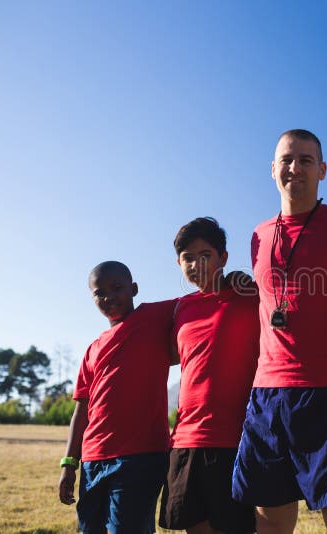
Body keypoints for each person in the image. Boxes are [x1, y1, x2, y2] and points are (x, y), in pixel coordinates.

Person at [232, 129, 327, 534]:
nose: (294, 168)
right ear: (272, 169)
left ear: (323, 170)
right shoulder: (259, 235)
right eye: (286, 159)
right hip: (265, 391)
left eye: (305, 160)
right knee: (268, 513)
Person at [158, 217, 259, 534]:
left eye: (205, 255)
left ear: (223, 258)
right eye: (187, 257)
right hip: (186, 439)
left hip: (234, 438)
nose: (195, 264)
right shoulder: (180, 309)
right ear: (179, 262)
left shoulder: (249, 296)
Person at [58, 261, 174, 534]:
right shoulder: (92, 349)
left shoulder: (154, 317)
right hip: (93, 459)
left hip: (140, 457)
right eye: (99, 293)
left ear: (133, 289)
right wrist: (69, 463)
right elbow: (82, 411)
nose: (108, 297)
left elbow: (201, 300)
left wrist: (233, 283)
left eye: (117, 288)